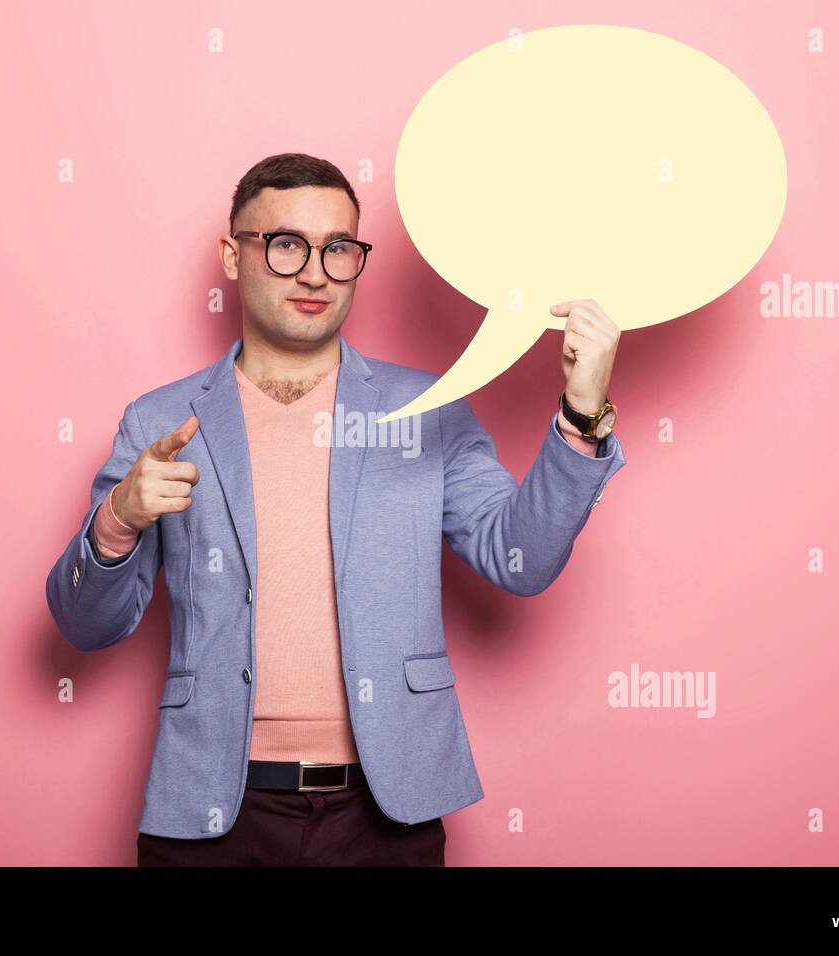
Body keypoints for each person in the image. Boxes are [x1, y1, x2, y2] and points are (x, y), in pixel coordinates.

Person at [45, 152, 626, 866]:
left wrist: (583, 411)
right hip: (209, 810)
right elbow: (84, 627)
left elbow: (524, 561)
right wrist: (116, 524)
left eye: (339, 249)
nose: (315, 273)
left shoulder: (428, 411)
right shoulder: (158, 420)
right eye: (284, 245)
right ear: (232, 255)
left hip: (386, 813)